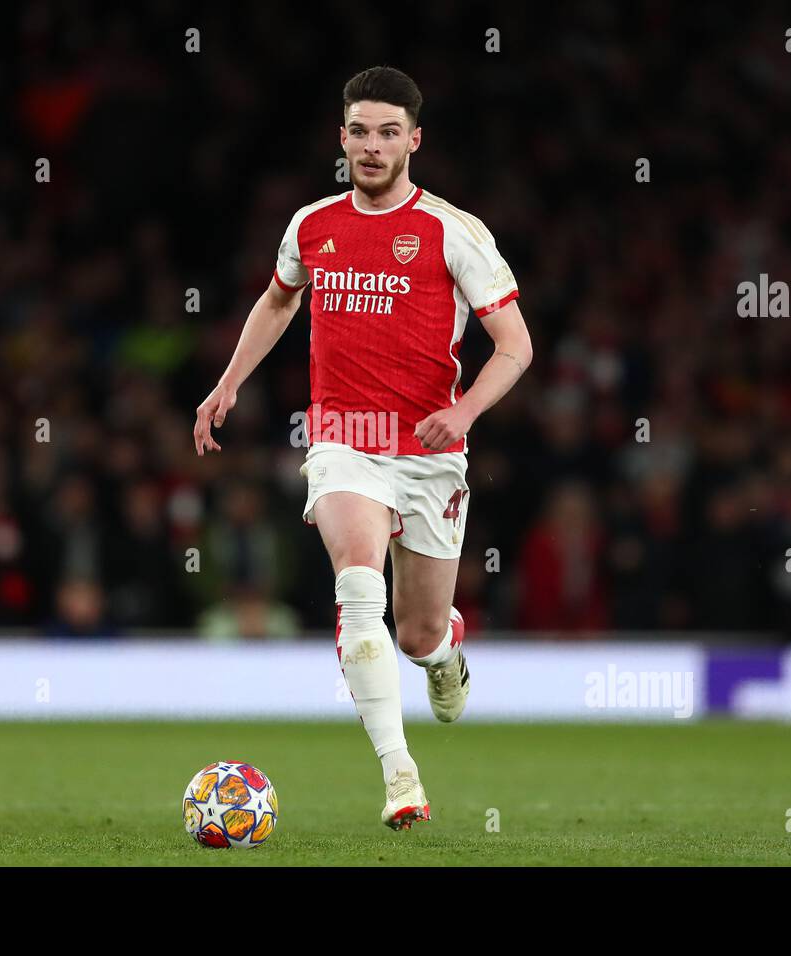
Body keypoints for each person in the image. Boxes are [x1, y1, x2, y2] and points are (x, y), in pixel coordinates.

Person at [193, 66, 532, 829]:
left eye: (388, 133)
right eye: (359, 131)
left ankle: (444, 651)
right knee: (356, 585)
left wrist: (468, 410)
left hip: (429, 449)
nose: (372, 147)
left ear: (414, 140)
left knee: (414, 633)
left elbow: (514, 345)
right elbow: (279, 299)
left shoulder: (453, 230)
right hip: (345, 438)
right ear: (340, 138)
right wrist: (228, 384)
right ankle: (400, 776)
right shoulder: (312, 224)